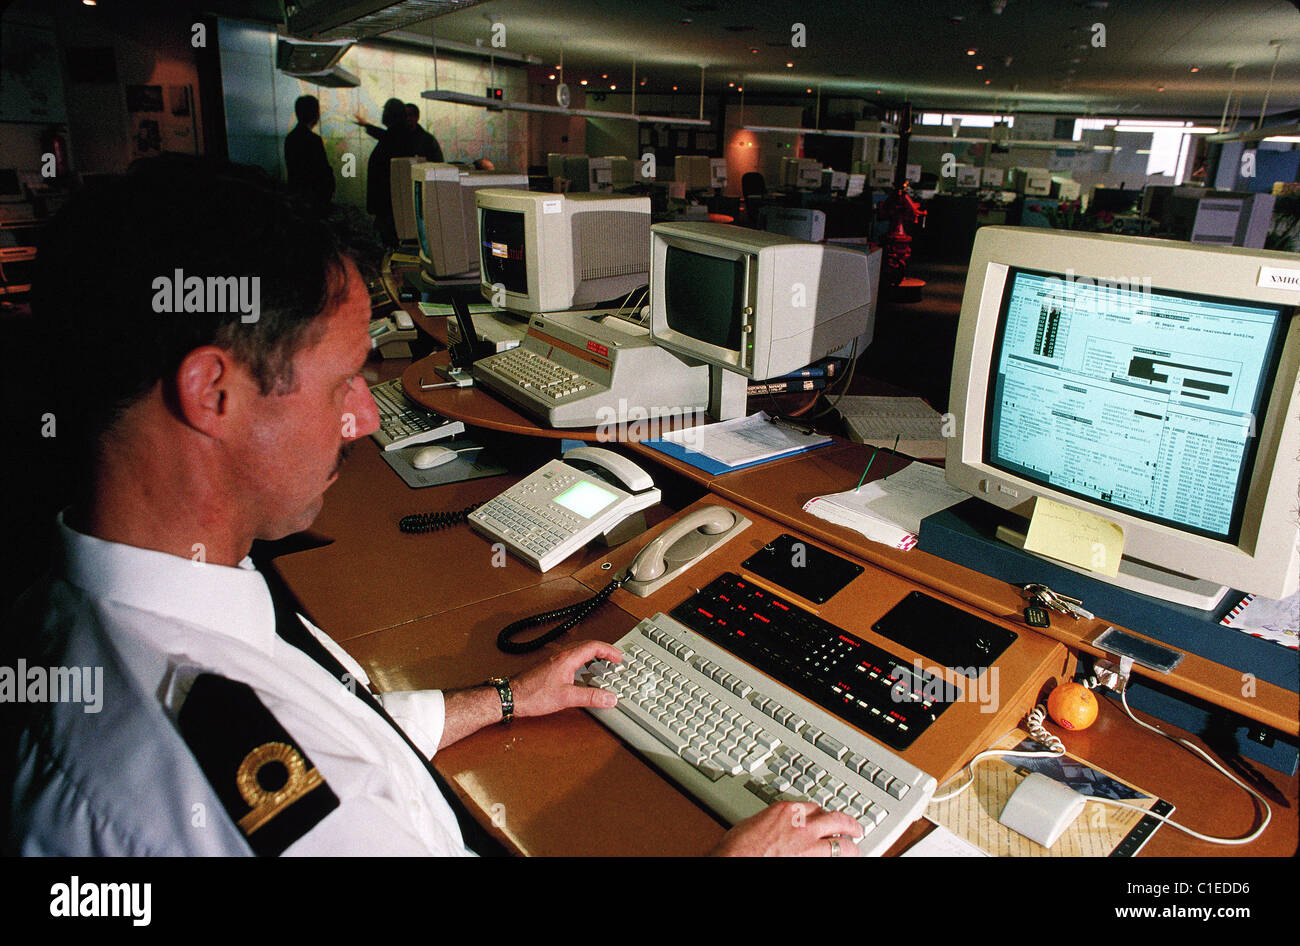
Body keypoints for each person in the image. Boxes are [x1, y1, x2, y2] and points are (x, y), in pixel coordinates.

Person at [3, 156, 861, 857]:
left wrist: (506, 700)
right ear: (213, 394)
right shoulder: (270, 796)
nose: (365, 420)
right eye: (343, 384)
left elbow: (340, 730)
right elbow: (326, 779)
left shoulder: (74, 607)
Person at [358, 99, 442, 245]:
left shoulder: (402, 137)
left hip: (392, 205)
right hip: (397, 204)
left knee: (393, 243)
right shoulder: (401, 136)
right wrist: (366, 125)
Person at [284, 94, 334, 210]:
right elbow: (322, 171)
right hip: (313, 200)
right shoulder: (314, 140)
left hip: (297, 197)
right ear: (315, 115)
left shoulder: (290, 138)